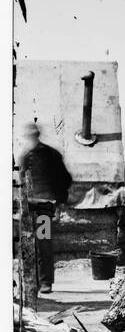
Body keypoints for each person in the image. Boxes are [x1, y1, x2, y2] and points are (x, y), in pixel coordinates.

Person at [17, 122, 72, 294]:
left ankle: (45, 282)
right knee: (33, 245)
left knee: (43, 244)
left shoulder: (48, 155)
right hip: (29, 208)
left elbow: (64, 179)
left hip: (41, 207)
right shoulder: (25, 156)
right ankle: (35, 283)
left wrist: (59, 200)